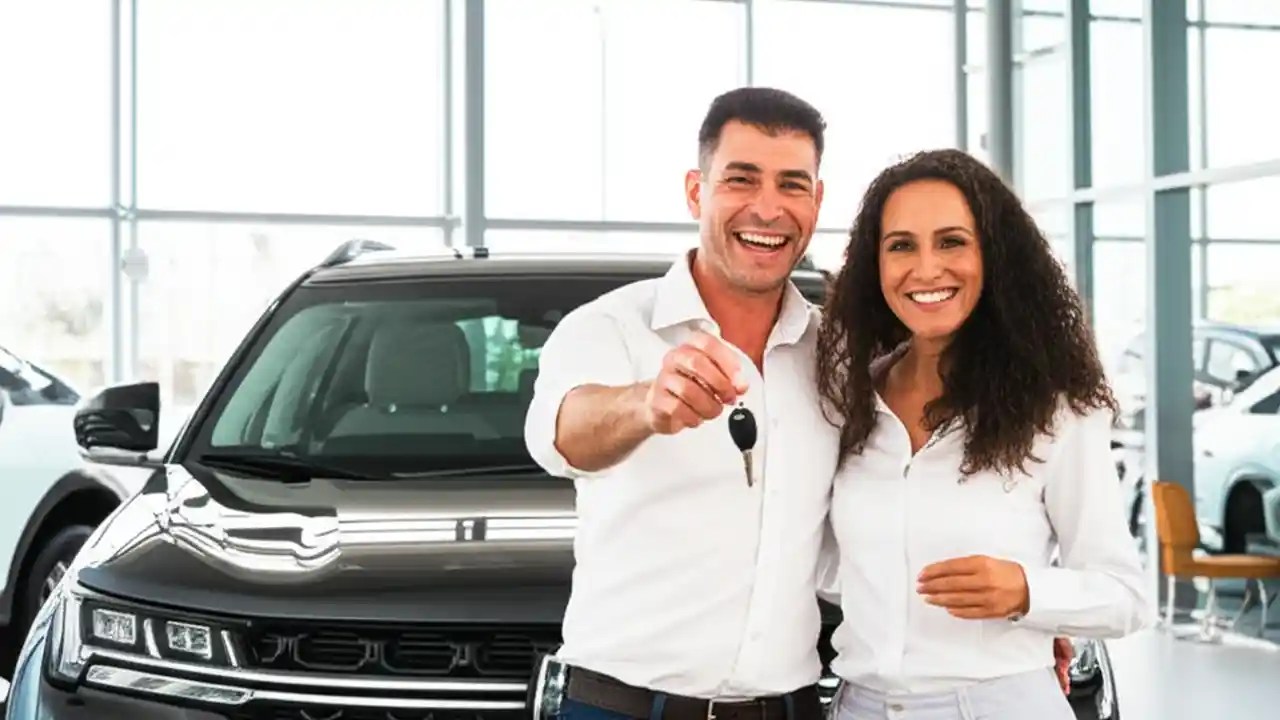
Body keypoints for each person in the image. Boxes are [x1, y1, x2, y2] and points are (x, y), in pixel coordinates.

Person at [524, 86, 837, 720]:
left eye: (792, 185)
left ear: (817, 201)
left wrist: (1013, 623)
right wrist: (644, 406)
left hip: (790, 708)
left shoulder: (840, 355)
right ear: (696, 190)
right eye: (741, 180)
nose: (768, 208)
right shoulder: (607, 327)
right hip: (620, 708)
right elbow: (561, 434)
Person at [813, 148, 1155, 720]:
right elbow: (830, 568)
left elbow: (1128, 596)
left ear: (994, 257)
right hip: (861, 707)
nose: (926, 269)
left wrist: (1028, 593)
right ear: (875, 265)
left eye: (952, 242)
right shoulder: (847, 404)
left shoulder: (1056, 410)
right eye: (901, 246)